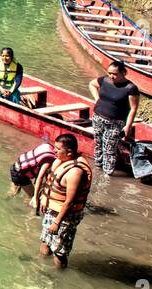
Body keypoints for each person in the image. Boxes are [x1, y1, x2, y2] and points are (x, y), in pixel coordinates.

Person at [31, 133, 92, 269]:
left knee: (59, 252)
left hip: (64, 217)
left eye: (58, 149)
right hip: (51, 211)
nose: (54, 151)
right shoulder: (61, 161)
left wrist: (57, 222)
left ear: (69, 152)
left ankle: (58, 276)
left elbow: (70, 202)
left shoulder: (75, 172)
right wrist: (42, 199)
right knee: (45, 242)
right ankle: (40, 268)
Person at [89, 62, 140, 177]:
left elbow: (133, 109)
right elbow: (92, 84)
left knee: (109, 148)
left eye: (115, 74)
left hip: (115, 123)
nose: (111, 76)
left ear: (123, 73)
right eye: (110, 73)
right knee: (98, 143)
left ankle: (108, 174)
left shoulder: (130, 88)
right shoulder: (104, 80)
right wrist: (97, 98)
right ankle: (98, 167)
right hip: (98, 117)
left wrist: (128, 126)